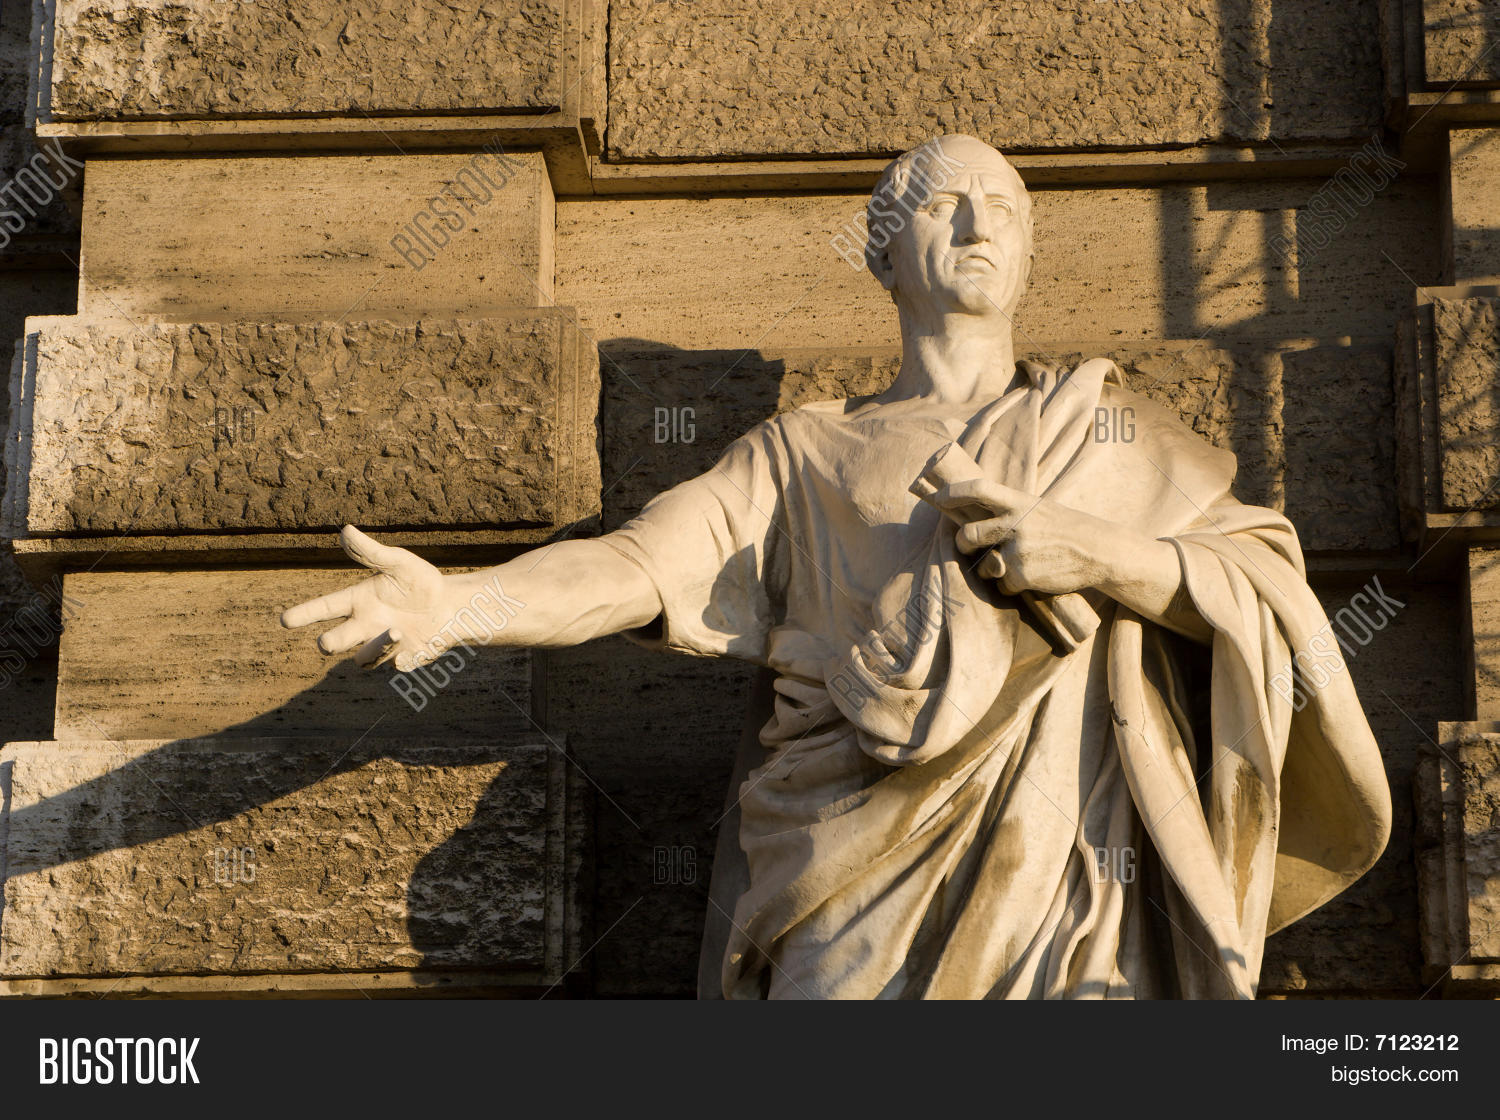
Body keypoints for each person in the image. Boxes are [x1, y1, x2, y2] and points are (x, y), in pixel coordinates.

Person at [283, 134, 1391, 999]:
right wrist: (459, 602)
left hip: (1064, 882)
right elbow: (635, 566)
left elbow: (1266, 593)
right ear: (884, 250)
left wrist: (1097, 551)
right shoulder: (803, 452)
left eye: (1004, 207)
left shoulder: (1109, 432)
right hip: (846, 875)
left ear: (1028, 257)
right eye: (946, 203)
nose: (979, 222)